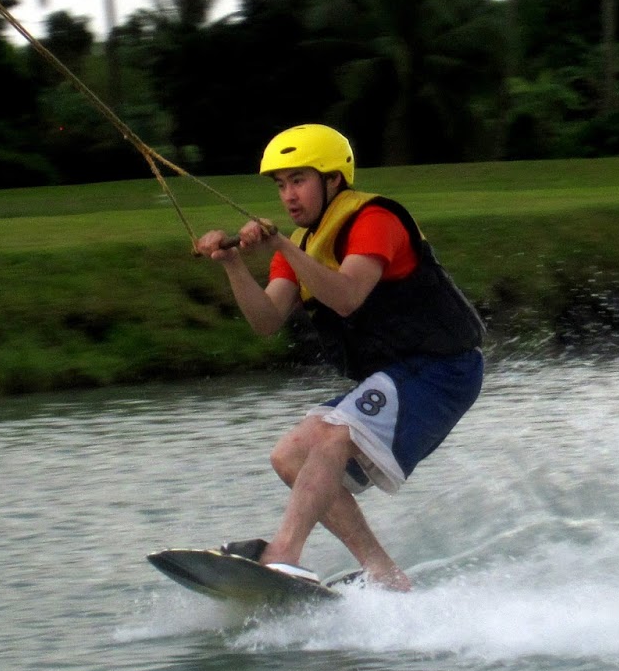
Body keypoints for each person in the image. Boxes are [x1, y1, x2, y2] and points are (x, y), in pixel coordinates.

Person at [194, 124, 485, 591]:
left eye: (299, 180)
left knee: (334, 435)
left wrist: (282, 245)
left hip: (442, 369)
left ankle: (282, 553)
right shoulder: (302, 245)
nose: (288, 195)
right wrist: (232, 265)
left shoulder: (375, 220)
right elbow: (267, 319)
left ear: (333, 180)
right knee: (289, 454)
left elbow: (348, 296)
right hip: (398, 374)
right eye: (281, 184)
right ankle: (385, 575)